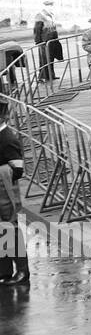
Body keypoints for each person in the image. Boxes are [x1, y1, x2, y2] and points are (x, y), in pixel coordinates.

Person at [0, 107, 28, 286]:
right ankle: (4, 271)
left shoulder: (8, 138)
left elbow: (18, 169)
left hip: (4, 191)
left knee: (9, 229)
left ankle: (23, 271)